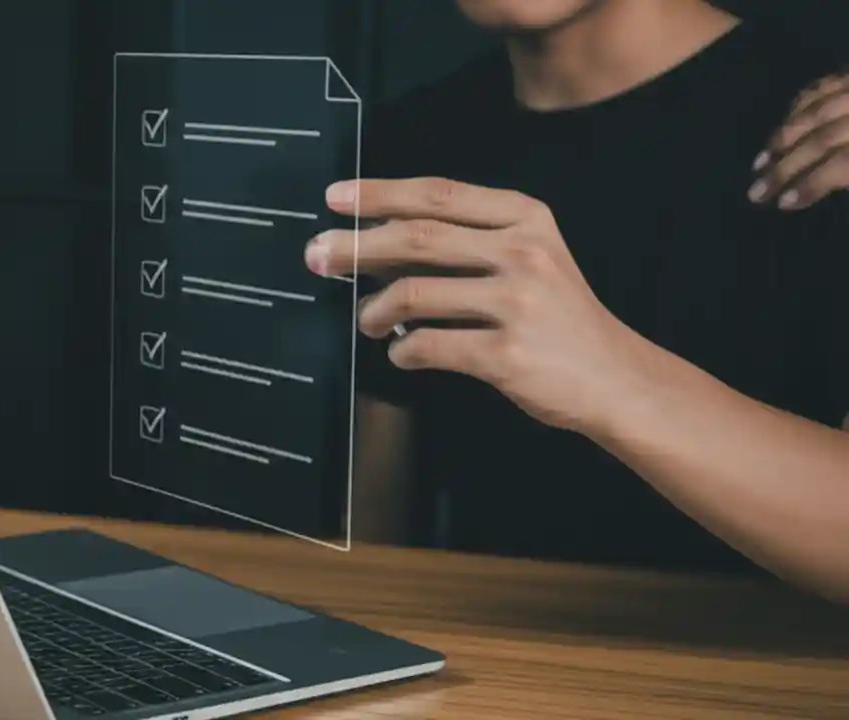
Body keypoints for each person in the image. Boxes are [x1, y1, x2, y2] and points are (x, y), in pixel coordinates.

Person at [311, 0, 849, 602]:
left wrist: (610, 376)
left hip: (766, 679)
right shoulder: (409, 139)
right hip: (490, 669)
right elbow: (379, 497)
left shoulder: (826, 133)